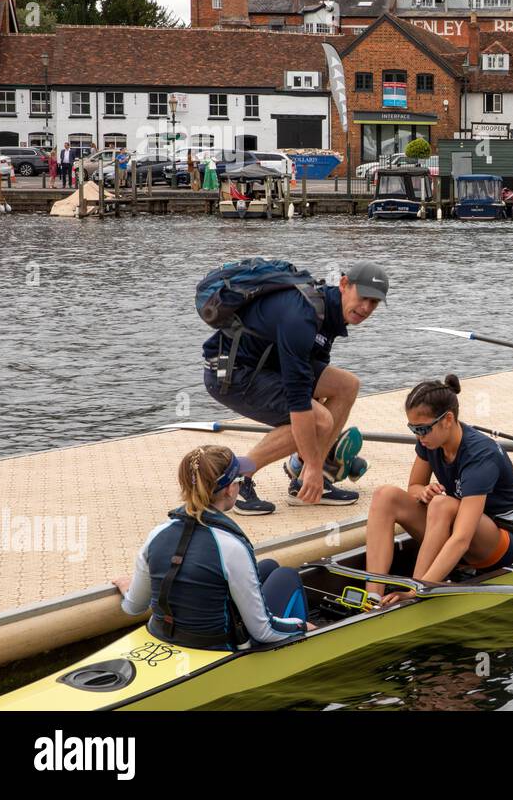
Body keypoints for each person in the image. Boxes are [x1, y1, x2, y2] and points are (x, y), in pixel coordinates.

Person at [201, 260, 388, 514]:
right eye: (363, 297)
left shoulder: (328, 311)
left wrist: (310, 454)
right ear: (344, 284)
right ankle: (238, 479)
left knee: (347, 386)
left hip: (263, 367)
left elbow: (312, 373)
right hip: (231, 374)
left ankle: (308, 480)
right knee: (319, 421)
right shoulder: (302, 316)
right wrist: (311, 459)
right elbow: (298, 398)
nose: (366, 308)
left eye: (374, 303)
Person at [113, 446, 311, 650]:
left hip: (163, 635)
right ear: (229, 489)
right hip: (219, 648)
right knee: (286, 575)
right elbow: (265, 631)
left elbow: (133, 607)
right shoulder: (231, 547)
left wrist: (127, 587)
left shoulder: (156, 535)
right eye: (239, 481)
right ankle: (307, 650)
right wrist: (302, 625)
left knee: (268, 566)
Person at [364, 376, 513, 603]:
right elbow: (414, 487)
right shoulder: (430, 441)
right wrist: (423, 492)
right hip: (460, 529)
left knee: (441, 504)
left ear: (447, 419)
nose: (419, 437)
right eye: (413, 429)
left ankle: (417, 588)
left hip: (500, 541)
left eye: (422, 429)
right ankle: (372, 596)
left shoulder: (480, 455)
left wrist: (413, 593)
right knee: (385, 496)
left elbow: (461, 538)